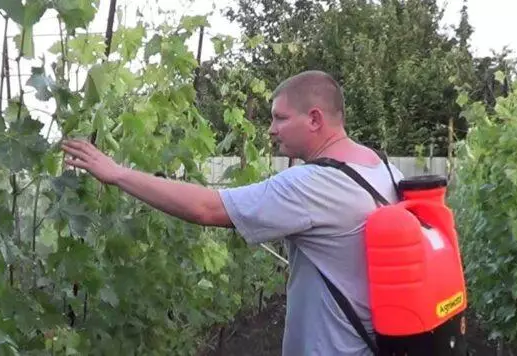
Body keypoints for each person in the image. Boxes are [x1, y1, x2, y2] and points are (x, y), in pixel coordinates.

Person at [61, 70, 404, 355]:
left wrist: (118, 173)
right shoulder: (386, 170)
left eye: (280, 118)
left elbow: (206, 208)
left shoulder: (313, 184)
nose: (271, 129)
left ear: (314, 118)